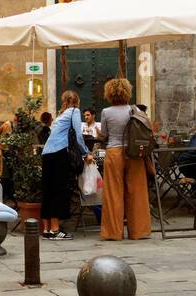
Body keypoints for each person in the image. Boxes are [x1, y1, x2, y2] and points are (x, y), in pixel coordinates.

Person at [98, 77, 152, 241]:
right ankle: (139, 231)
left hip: (114, 152)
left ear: (109, 93)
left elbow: (105, 134)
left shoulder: (106, 112)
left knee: (114, 192)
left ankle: (113, 232)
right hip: (134, 153)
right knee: (137, 191)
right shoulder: (134, 109)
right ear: (127, 92)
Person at [40, 91, 91, 240]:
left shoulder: (61, 115)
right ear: (77, 101)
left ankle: (47, 229)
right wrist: (85, 153)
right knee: (58, 190)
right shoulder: (74, 111)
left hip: (47, 153)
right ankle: (56, 231)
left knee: (48, 189)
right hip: (59, 153)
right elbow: (78, 134)